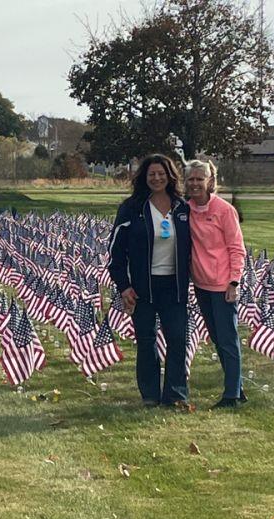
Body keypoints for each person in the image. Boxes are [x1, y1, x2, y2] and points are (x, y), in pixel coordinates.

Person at [108, 154, 191, 407]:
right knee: (146, 340)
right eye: (152, 174)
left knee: (177, 339)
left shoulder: (182, 207)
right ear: (144, 177)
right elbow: (115, 253)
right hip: (143, 287)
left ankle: (175, 394)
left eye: (161, 173)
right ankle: (150, 395)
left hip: (174, 286)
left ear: (170, 175)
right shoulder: (132, 208)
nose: (157, 178)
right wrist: (124, 286)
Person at [184, 159, 247, 408]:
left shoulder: (224, 210)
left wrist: (234, 281)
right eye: (191, 179)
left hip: (223, 286)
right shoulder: (185, 209)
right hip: (201, 285)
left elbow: (236, 249)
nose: (195, 183)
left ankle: (231, 395)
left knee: (228, 339)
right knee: (217, 338)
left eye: (200, 179)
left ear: (210, 181)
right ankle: (237, 387)